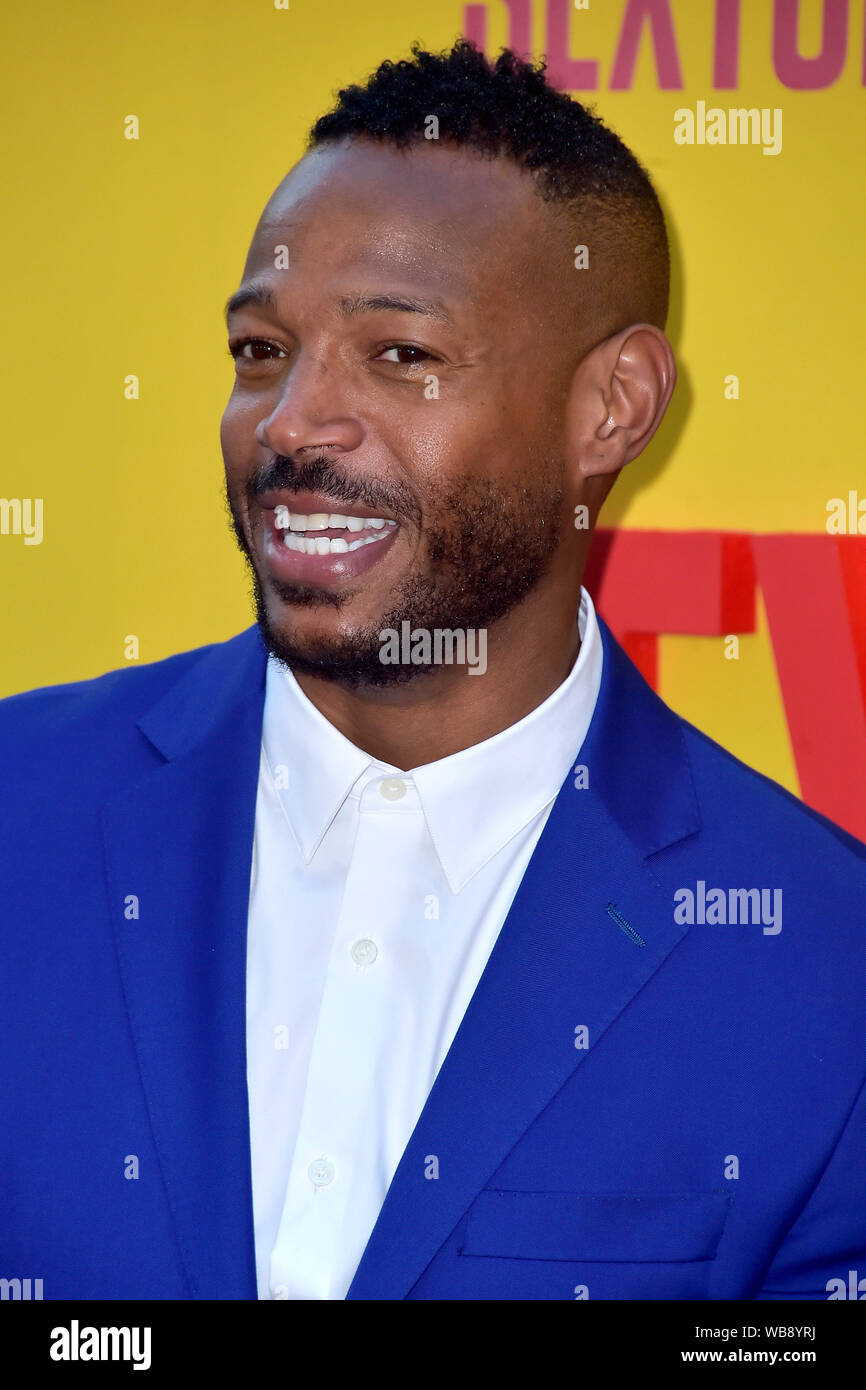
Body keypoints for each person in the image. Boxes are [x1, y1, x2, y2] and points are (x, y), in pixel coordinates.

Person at [1, 38, 864, 1302]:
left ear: (611, 406)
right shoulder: (20, 807)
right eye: (260, 351)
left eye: (399, 355)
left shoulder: (821, 958)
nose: (290, 423)